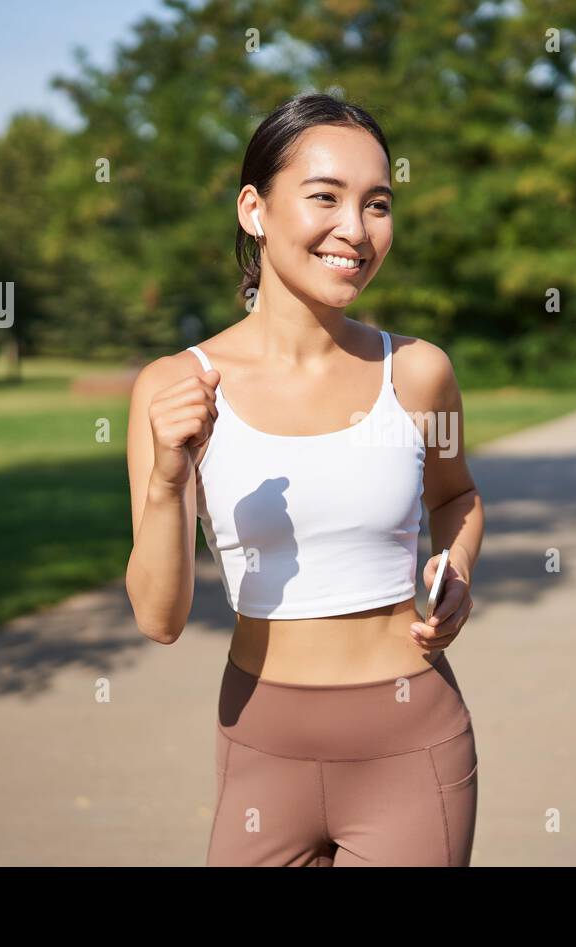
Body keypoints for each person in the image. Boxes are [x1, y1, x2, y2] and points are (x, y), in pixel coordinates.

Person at [124, 92, 485, 866]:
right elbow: (159, 619)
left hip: (411, 742)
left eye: (377, 204)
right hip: (260, 742)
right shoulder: (174, 387)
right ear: (254, 209)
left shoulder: (419, 373)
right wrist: (166, 481)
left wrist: (454, 568)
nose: (354, 230)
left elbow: (455, 497)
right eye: (325, 197)